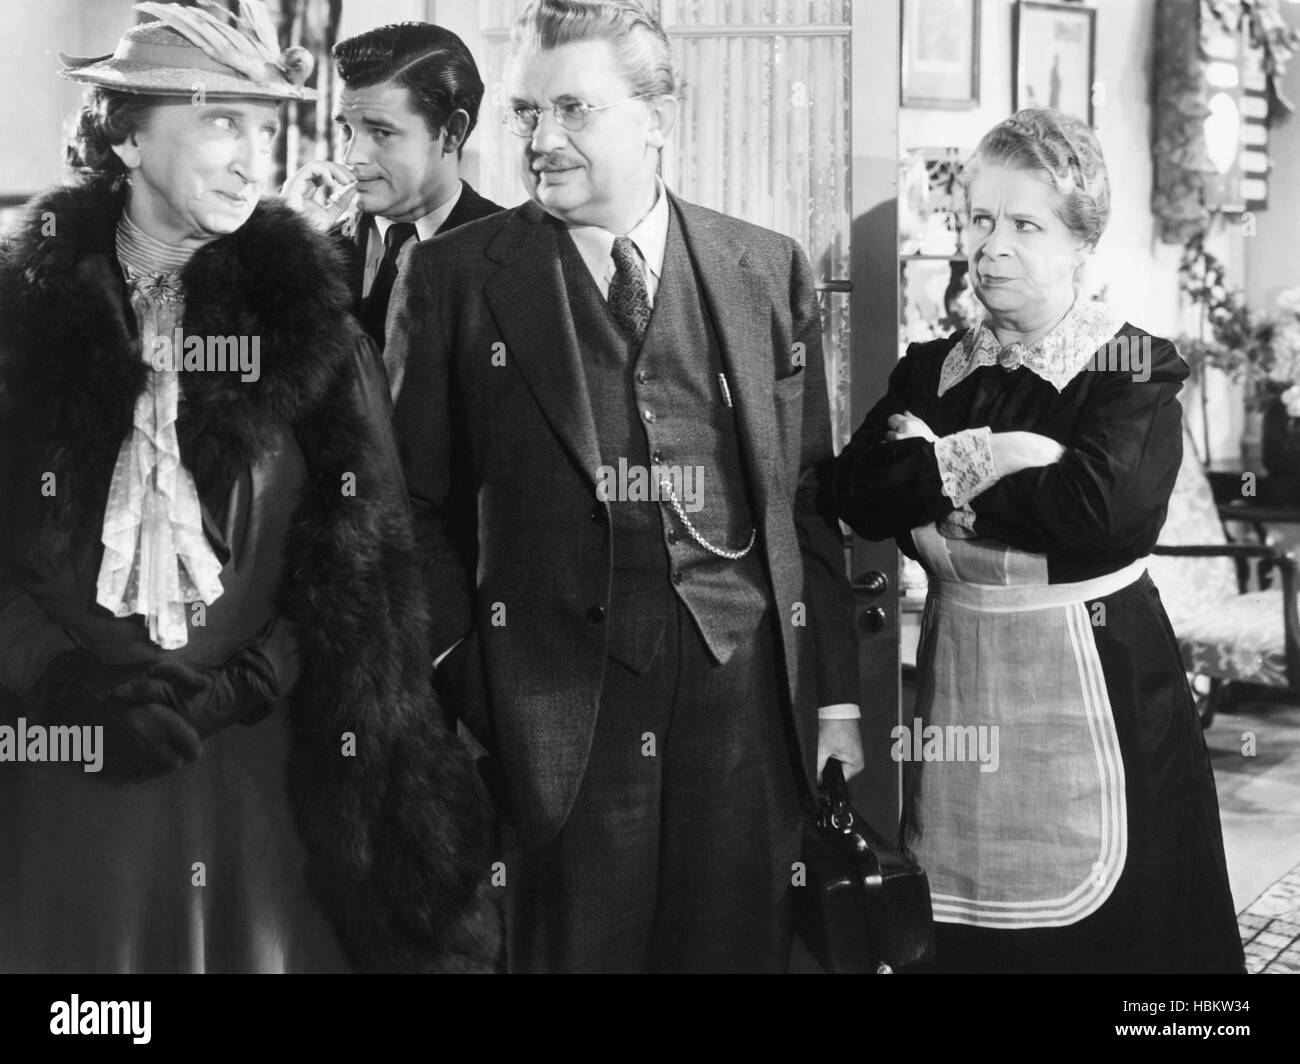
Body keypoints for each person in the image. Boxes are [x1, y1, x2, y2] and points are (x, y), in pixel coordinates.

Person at [0, 2, 494, 973]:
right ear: (131, 136)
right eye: (221, 122)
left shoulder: (311, 324)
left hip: (260, 778)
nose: (249, 160)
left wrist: (254, 678)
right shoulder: (22, 323)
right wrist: (69, 685)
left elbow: (370, 567)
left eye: (262, 131)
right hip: (62, 771)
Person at [386, 0, 861, 973]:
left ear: (655, 116)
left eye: (574, 110)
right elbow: (408, 514)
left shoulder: (766, 268)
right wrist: (472, 679)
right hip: (555, 720)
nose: (541, 140)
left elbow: (807, 496)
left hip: (743, 714)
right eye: (526, 113)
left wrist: (837, 700)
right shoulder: (453, 277)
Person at [831, 109, 1244, 973]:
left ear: (1080, 242)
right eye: (980, 220)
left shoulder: (1132, 366)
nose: (993, 247)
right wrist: (1011, 455)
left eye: (1026, 225)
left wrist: (937, 467)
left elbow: (1100, 515)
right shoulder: (932, 367)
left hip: (1103, 695)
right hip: (961, 696)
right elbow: (851, 496)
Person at [281, 21, 503, 374]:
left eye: (381, 132)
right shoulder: (311, 249)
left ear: (453, 133)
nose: (352, 156)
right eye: (346, 129)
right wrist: (288, 240)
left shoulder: (517, 257)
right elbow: (225, 364)